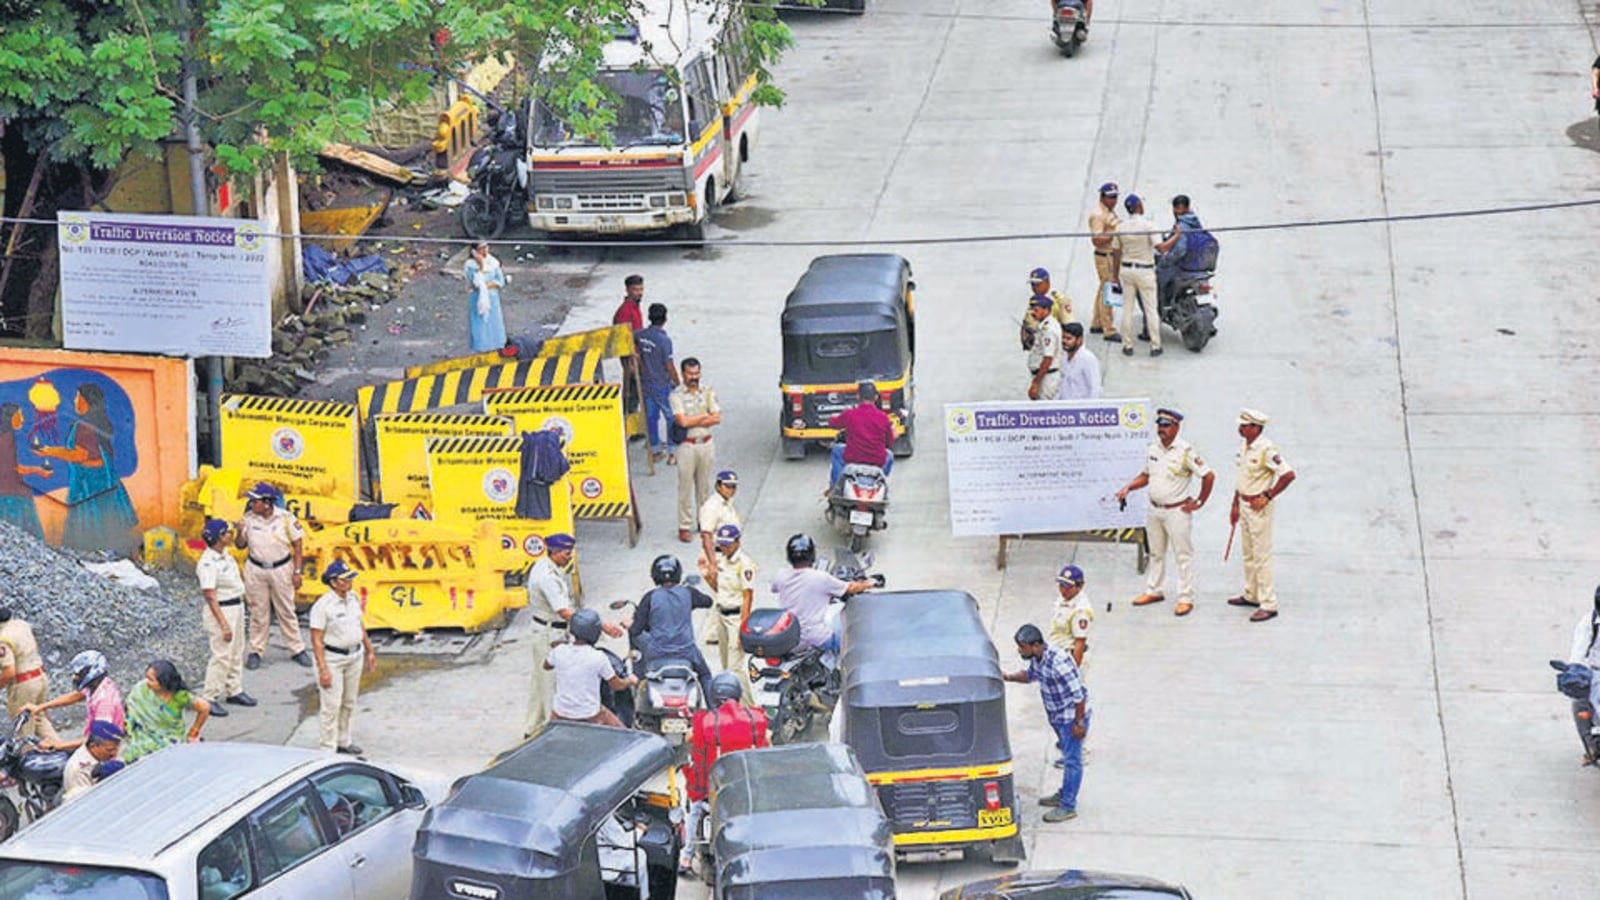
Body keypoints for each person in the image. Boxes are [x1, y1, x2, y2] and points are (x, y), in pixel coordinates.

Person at [1116, 408, 1216, 617]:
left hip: (1176, 511)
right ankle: (1154, 590)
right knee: (1156, 552)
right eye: (1159, 425)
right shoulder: (1153, 448)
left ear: (1177, 427)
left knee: (1183, 555)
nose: (1161, 429)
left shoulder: (1186, 451)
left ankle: (1185, 597)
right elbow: (1146, 475)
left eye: (1166, 425)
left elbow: (1208, 476)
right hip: (1155, 509)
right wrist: (1129, 487)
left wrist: (1199, 501)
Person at [678, 672, 769, 876]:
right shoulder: (755, 718)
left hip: (711, 789)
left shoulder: (704, 721)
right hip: (747, 787)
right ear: (737, 693)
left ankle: (686, 856)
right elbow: (766, 743)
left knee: (694, 808)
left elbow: (691, 742)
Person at [33, 383, 138, 552]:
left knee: (91, 534)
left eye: (77, 397)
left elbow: (80, 455)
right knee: (110, 531)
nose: (75, 401)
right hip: (106, 484)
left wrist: (49, 451)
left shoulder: (84, 426)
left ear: (86, 401)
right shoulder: (100, 423)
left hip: (89, 487)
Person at [1003, 624, 1089, 823]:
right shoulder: (1039, 658)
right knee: (1067, 756)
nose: (1019, 650)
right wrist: (1007, 677)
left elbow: (1079, 695)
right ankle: (1064, 793)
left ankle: (1068, 806)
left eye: (1022, 647)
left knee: (1072, 761)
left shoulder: (1059, 662)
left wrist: (1079, 723)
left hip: (1070, 718)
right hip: (1058, 717)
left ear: (1035, 645)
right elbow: (1030, 675)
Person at [1227, 409, 1296, 622]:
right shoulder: (1245, 446)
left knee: (1261, 556)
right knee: (1248, 553)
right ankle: (1252, 594)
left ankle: (1268, 603)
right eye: (1240, 425)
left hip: (1258, 508)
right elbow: (1242, 477)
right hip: (1244, 503)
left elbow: (1288, 475)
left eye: (1245, 425)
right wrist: (1235, 504)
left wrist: (1268, 495)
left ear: (1256, 428)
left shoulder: (1266, 449)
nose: (1240, 428)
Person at [234, 482, 311, 670]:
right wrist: (239, 531)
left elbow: (298, 545)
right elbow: (240, 545)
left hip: (281, 569)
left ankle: (297, 649)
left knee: (286, 610)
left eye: (256, 501)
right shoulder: (248, 518)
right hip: (256, 569)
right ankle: (256, 650)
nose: (252, 504)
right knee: (257, 611)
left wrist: (297, 571)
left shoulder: (285, 518)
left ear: (267, 503)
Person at [308, 560, 376, 754]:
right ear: (334, 582)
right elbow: (316, 640)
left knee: (349, 701)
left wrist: (370, 650)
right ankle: (327, 748)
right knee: (331, 705)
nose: (349, 583)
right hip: (333, 659)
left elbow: (359, 626)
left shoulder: (353, 598)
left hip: (355, 656)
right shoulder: (323, 606)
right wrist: (323, 669)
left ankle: (343, 740)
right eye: (345, 580)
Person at [770, 534, 873, 654]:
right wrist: (869, 583)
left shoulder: (781, 575)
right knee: (849, 645)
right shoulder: (820, 578)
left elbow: (774, 588)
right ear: (812, 555)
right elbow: (850, 588)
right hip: (815, 637)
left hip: (788, 636)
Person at [626, 555, 715, 693]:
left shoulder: (650, 597)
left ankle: (637, 694)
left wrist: (629, 624)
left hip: (657, 653)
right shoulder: (688, 593)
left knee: (642, 674)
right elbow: (708, 602)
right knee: (705, 675)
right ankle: (713, 706)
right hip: (687, 652)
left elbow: (636, 630)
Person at [195, 519, 254, 717]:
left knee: (237, 650)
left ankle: (234, 689)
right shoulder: (208, 562)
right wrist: (223, 625)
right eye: (227, 533)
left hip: (236, 606)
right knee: (221, 654)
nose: (230, 535)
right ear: (219, 538)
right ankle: (209, 696)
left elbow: (236, 581)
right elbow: (210, 595)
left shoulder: (226, 555)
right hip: (222, 609)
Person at [547, 609, 635, 728]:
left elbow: (546, 666)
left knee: (548, 728)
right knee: (623, 732)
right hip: (590, 714)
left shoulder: (559, 651)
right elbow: (616, 685)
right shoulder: (599, 657)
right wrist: (630, 681)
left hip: (560, 712)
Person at [25, 649, 123, 753]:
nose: (75, 677)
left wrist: (59, 745)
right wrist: (41, 707)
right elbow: (76, 696)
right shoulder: (98, 685)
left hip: (100, 753)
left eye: (79, 674)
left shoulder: (105, 702)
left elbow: (99, 739)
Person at [670, 358, 722, 543]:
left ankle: (704, 523)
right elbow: (682, 421)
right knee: (685, 487)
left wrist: (694, 419)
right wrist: (704, 417)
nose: (694, 377)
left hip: (705, 444)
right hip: (687, 446)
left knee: (704, 487)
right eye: (690, 374)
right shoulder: (676, 395)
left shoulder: (707, 391)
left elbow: (717, 418)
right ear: (683, 374)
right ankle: (684, 526)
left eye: (696, 373)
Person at [121, 660, 213, 763]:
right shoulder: (141, 689)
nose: (147, 682)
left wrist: (193, 732)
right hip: (142, 736)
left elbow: (205, 708)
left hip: (171, 738)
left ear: (164, 682)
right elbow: (130, 710)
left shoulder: (179, 696)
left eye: (151, 680)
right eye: (147, 677)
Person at [704, 524, 757, 678]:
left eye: (728, 544)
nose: (724, 547)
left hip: (736, 619)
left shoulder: (744, 564)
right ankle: (731, 694)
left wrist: (743, 629)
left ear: (737, 542)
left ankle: (745, 695)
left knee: (735, 669)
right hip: (721, 615)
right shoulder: (722, 561)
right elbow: (720, 590)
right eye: (722, 544)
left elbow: (748, 597)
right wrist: (708, 577)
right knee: (726, 665)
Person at [0, 607, 58, 742]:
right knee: (39, 718)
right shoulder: (22, 625)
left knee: (24, 729)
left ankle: (27, 753)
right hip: (40, 676)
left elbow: (9, 671)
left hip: (24, 685)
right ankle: (61, 748)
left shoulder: (3, 638)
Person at [1115, 194, 1162, 357]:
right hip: (1145, 271)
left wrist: (1115, 276)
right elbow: (1161, 248)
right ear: (1140, 206)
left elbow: (1116, 252)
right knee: (1151, 310)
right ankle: (1155, 346)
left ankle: (1127, 345)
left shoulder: (1120, 227)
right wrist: (1177, 235)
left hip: (1126, 270)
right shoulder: (1149, 225)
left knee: (1127, 309)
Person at [635, 302, 680, 464]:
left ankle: (655, 451)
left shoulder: (639, 335)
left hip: (646, 384)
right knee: (671, 417)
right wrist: (678, 382)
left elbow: (631, 344)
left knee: (651, 418)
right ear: (665, 319)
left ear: (649, 317)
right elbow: (669, 365)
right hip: (662, 385)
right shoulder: (664, 340)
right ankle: (672, 452)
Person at [829, 383, 897, 483]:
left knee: (836, 449)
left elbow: (833, 423)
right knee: (889, 455)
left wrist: (833, 417)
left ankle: (836, 485)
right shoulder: (883, 417)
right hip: (877, 461)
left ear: (858, 396)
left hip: (853, 458)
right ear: (876, 397)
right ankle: (881, 481)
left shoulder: (850, 414)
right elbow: (889, 442)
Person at [0, 402, 46, 539]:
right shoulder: (6, 439)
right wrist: (37, 470)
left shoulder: (9, 437)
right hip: (11, 494)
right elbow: (10, 468)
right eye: (19, 416)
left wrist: (37, 470)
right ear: (10, 417)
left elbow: (12, 467)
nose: (23, 419)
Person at [1155, 194, 1208, 310]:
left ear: (1177, 209)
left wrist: (1167, 259)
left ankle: (1160, 310)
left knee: (1158, 277)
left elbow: (1180, 250)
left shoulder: (1182, 225)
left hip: (1182, 265)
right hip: (1196, 265)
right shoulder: (1195, 221)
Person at [1087, 182, 1122, 342]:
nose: (1113, 200)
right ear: (1102, 197)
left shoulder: (1108, 211)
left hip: (1109, 255)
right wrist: (1115, 234)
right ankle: (1109, 329)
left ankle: (1097, 322)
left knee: (1103, 289)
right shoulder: (1098, 215)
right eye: (1110, 197)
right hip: (1105, 256)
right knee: (1108, 291)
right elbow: (1097, 240)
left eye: (1115, 197)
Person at [61, 720, 122, 804]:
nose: (114, 754)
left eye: (116, 749)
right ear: (93, 746)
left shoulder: (99, 755)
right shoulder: (78, 771)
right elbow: (85, 802)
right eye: (109, 750)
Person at [1568, 585, 1600, 739]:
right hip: (1596, 674)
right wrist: (1573, 670)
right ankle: (1591, 745)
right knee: (1579, 703)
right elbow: (1578, 651)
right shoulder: (1590, 622)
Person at [464, 241, 508, 352]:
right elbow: (475, 283)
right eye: (481, 248)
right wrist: (481, 265)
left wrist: (486, 285)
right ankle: (481, 347)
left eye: (486, 247)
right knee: (480, 324)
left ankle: (497, 345)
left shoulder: (493, 262)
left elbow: (500, 281)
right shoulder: (470, 265)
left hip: (492, 298)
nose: (484, 251)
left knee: (494, 323)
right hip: (478, 299)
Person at [1047, 565, 1094, 667]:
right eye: (1061, 585)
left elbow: (1080, 643)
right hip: (1057, 654)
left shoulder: (1081, 611)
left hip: (1069, 657)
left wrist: (1073, 670)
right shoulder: (1064, 599)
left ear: (1080, 586)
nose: (1063, 590)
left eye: (1068, 587)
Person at [614, 275, 646, 417]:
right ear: (627, 290)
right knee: (632, 393)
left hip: (637, 356)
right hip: (632, 358)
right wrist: (630, 361)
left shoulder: (635, 306)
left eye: (641, 289)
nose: (639, 293)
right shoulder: (625, 311)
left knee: (635, 393)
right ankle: (629, 421)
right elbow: (622, 338)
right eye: (635, 290)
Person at [1019, 267, 1073, 351]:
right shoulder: (1033, 301)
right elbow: (1026, 325)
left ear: (1047, 282)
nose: (1034, 288)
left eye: (1038, 284)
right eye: (1032, 284)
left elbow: (1070, 327)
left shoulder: (1059, 300)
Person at [697, 470, 742, 566]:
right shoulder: (711, 506)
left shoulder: (728, 503)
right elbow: (706, 536)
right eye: (727, 486)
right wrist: (712, 563)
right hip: (717, 555)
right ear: (718, 486)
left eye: (734, 486)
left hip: (730, 555)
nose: (731, 490)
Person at [1025, 296, 1062, 401]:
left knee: (1044, 408)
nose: (1033, 313)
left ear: (1046, 310)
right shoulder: (1044, 325)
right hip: (1043, 376)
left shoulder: (1048, 330)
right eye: (1032, 309)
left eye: (1036, 310)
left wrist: (1036, 383)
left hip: (1046, 379)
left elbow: (1048, 359)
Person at [1055, 322, 1102, 400]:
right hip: (1064, 404)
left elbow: (1095, 388)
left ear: (1079, 340)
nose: (1064, 341)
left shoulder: (1088, 358)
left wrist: (1090, 406)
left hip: (1080, 405)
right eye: (1063, 338)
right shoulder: (1064, 356)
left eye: (1069, 339)